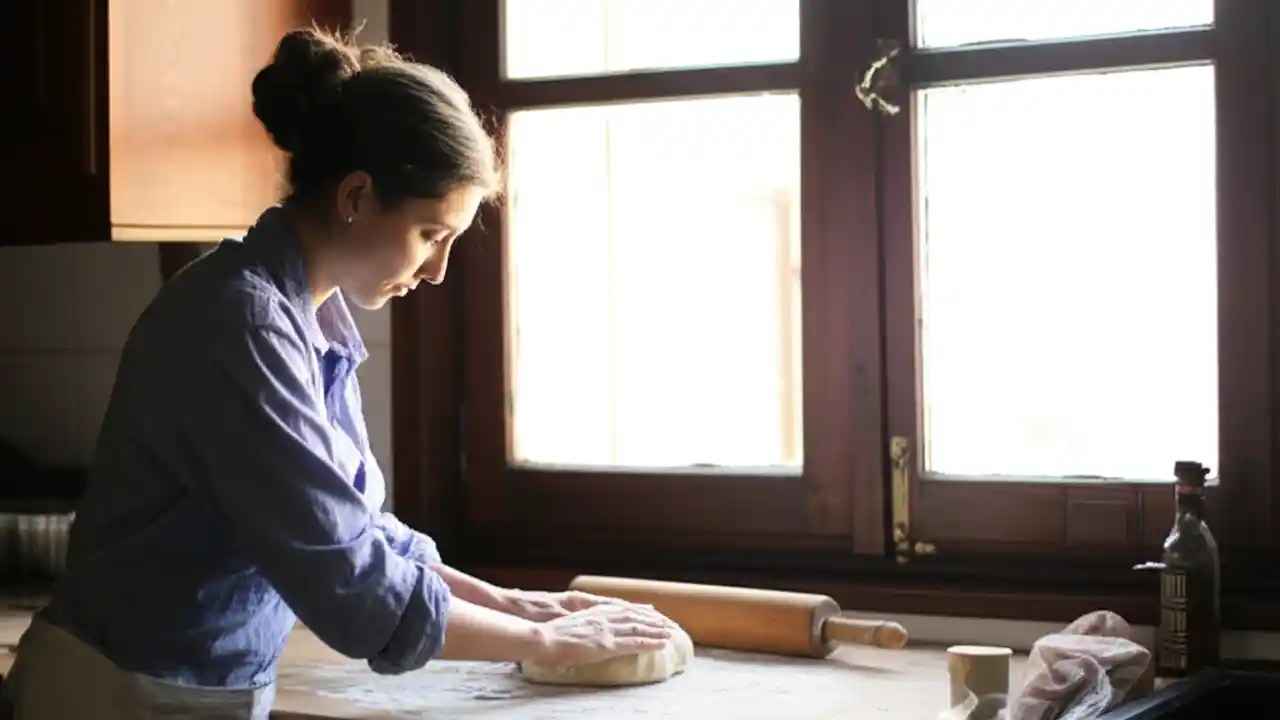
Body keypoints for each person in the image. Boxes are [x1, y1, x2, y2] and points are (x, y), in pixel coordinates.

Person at [0, 26, 674, 719]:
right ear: (355, 196)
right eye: (430, 234)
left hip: (181, 693)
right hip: (112, 698)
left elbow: (361, 531)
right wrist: (542, 640)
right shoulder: (241, 323)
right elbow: (350, 585)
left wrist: (520, 604)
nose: (438, 270)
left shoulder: (310, 322)